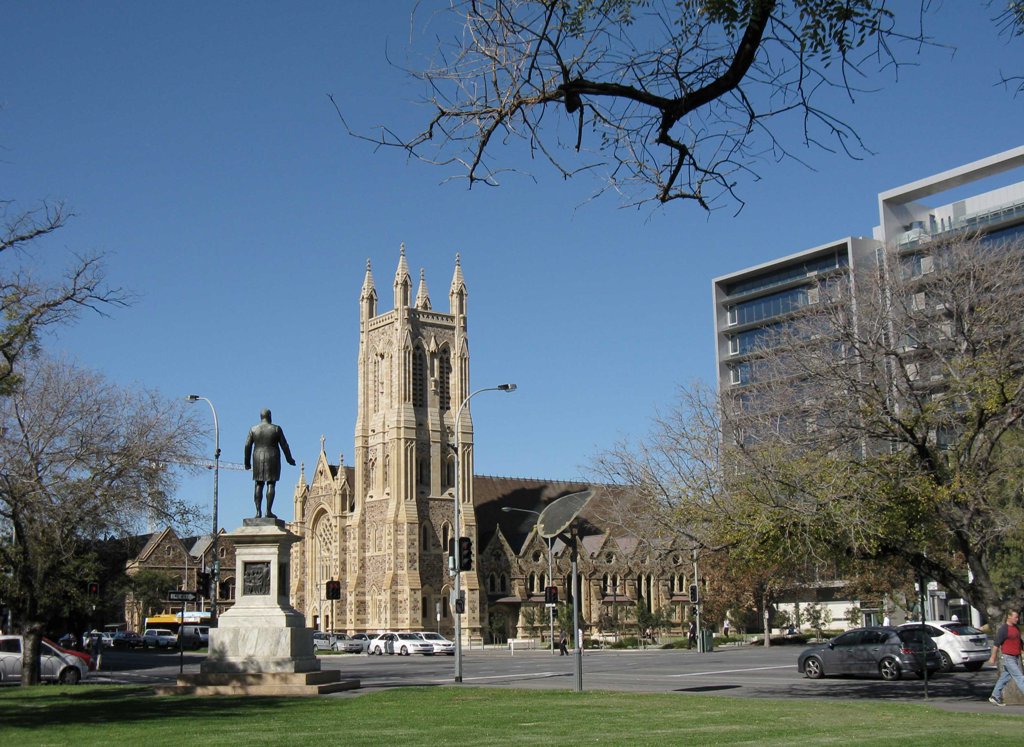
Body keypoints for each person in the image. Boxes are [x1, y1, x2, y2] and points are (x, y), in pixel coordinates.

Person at [243, 408, 296, 519]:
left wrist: (246, 462)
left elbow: (247, 446)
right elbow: (284, 445)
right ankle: (268, 511)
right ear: (270, 416)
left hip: (257, 457)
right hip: (272, 457)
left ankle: (258, 512)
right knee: (271, 484)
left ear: (261, 417)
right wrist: (289, 459)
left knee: (258, 484)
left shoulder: (253, 429)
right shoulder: (276, 429)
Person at [989, 609, 1024, 706]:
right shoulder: (1004, 629)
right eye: (1015, 617)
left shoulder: (1016, 628)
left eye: (1018, 617)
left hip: (1016, 657)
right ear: (1009, 617)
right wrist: (993, 657)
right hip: (1008, 657)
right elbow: (996, 644)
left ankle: (994, 696)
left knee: (1004, 678)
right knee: (1020, 677)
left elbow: (1019, 642)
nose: (1017, 619)